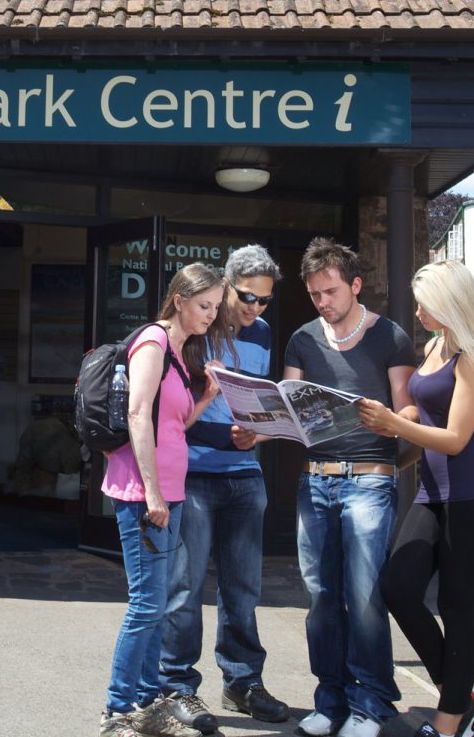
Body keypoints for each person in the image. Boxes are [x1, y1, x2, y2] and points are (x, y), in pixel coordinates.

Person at [358, 260, 474, 737]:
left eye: (425, 301)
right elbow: (422, 428)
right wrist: (393, 450)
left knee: (457, 606)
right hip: (433, 493)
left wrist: (392, 422)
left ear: (450, 302)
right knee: (397, 588)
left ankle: (448, 725)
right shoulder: (434, 346)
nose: (418, 309)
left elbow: (457, 439)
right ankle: (465, 698)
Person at [278, 237, 415, 737]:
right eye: (315, 294)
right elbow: (289, 404)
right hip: (314, 481)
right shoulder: (302, 340)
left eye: (331, 291)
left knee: (364, 594)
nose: (323, 302)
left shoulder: (391, 337)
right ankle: (330, 701)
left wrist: (393, 421)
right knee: (321, 596)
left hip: (370, 481)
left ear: (355, 286)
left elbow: (409, 410)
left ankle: (371, 703)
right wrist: (264, 422)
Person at [159, 245, 289, 733]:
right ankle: (177, 687)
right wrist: (216, 430)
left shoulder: (262, 333)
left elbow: (254, 402)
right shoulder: (197, 326)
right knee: (185, 586)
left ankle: (242, 683)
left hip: (244, 474)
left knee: (243, 588)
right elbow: (172, 412)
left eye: (264, 300)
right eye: (247, 297)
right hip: (193, 473)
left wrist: (256, 431)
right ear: (225, 286)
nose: (255, 308)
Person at [100, 263, 229, 737]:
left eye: (215, 307)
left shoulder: (178, 352)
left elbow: (173, 427)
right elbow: (137, 414)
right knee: (146, 604)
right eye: (203, 305)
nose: (211, 316)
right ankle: (116, 711)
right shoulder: (153, 342)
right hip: (143, 494)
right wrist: (152, 491)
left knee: (155, 603)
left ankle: (146, 704)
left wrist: (206, 396)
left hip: (167, 493)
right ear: (179, 300)